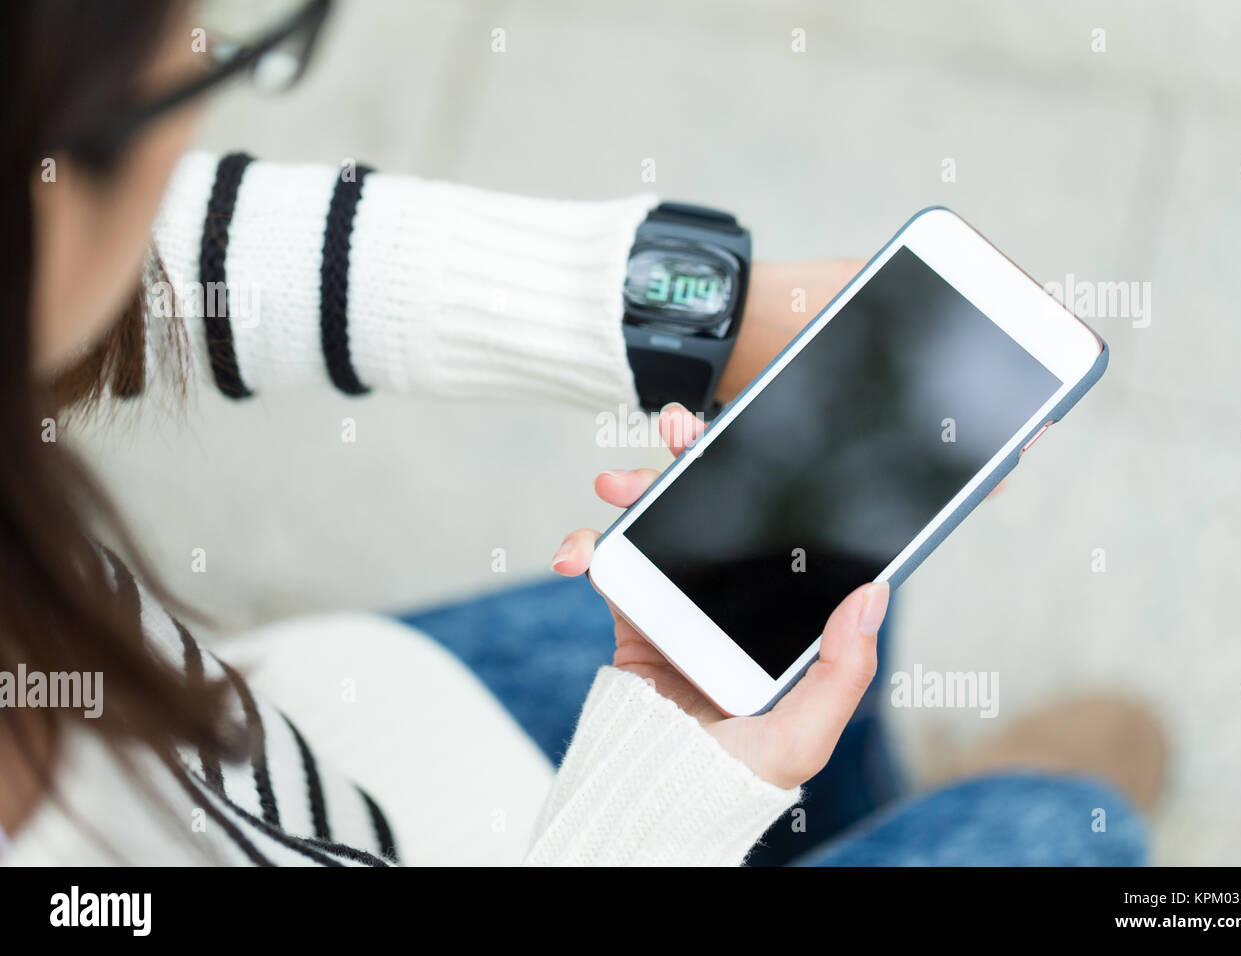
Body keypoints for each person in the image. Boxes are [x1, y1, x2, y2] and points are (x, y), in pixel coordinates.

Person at [0, 0, 1161, 866]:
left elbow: (171, 248)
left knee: (824, 563)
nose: (191, 137)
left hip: (333, 750)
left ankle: (857, 809)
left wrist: (700, 311)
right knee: (1068, 824)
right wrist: (650, 815)